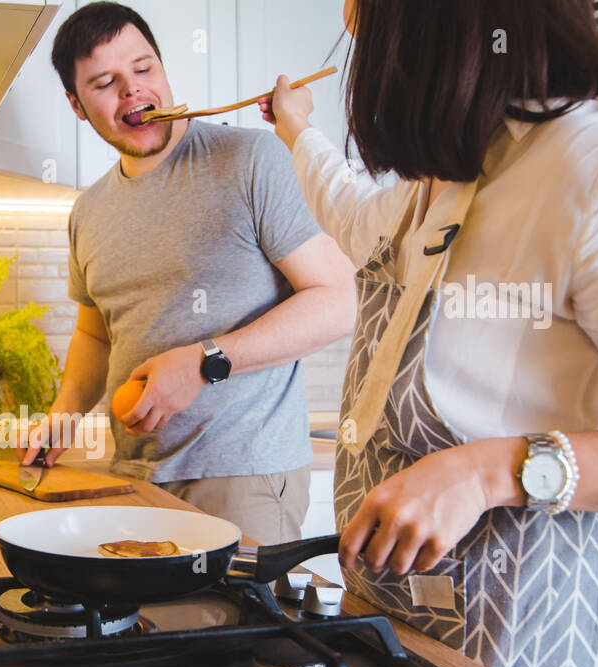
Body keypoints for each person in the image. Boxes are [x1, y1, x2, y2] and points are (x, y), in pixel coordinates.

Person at [261, 0, 598, 667]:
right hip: (409, 647)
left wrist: (492, 471)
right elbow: (346, 209)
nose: (348, 16)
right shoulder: (430, 188)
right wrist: (295, 128)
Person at [21, 1, 358, 546]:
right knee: (148, 633)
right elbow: (95, 334)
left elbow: (339, 299)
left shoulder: (252, 161)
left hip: (241, 477)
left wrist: (206, 363)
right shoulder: (89, 210)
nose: (132, 91)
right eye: (105, 82)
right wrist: (63, 417)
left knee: (231, 633)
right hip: (134, 479)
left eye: (143, 68)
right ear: (77, 106)